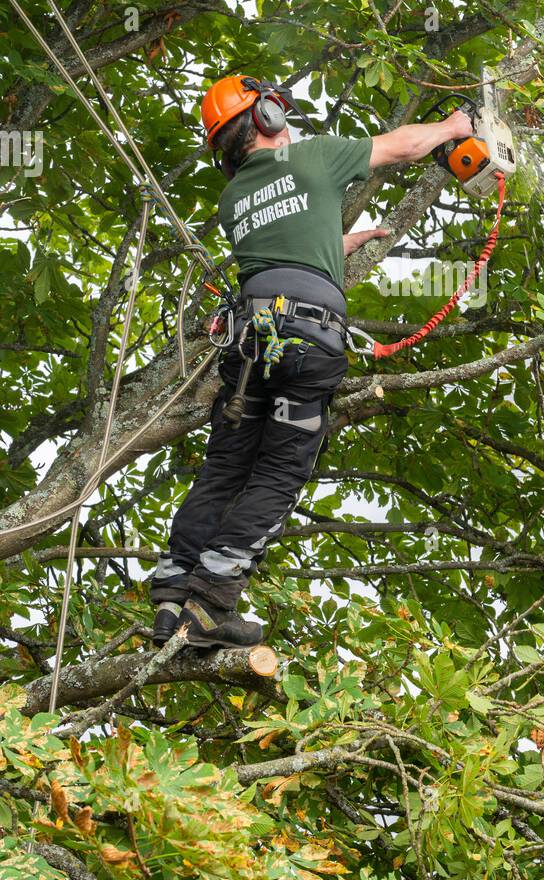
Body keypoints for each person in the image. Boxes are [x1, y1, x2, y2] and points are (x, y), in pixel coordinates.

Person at [149, 74, 473, 649]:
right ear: (268, 118)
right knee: (279, 472)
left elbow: (279, 238)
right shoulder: (313, 157)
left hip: (250, 344)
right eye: (280, 111)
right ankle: (212, 601)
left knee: (225, 467)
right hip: (306, 340)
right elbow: (398, 146)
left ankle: (172, 598)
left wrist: (335, 241)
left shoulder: (232, 200)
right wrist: (454, 127)